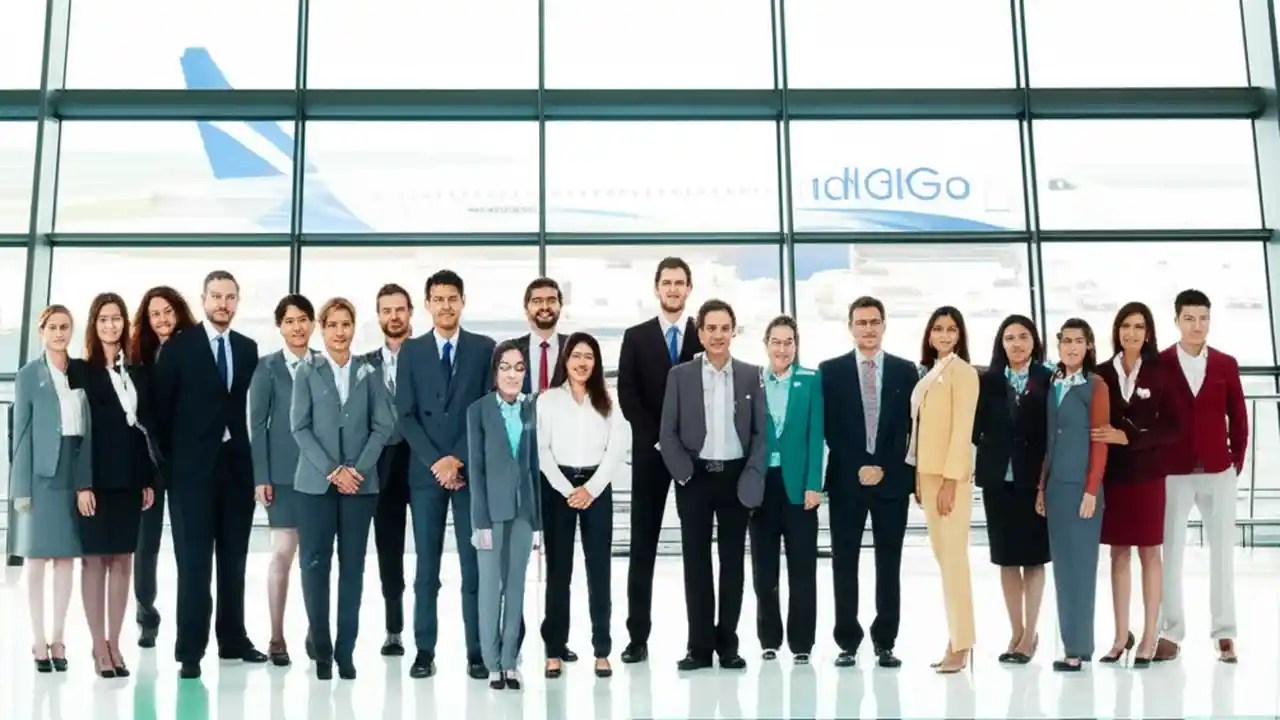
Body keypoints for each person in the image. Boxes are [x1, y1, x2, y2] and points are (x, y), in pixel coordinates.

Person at [153, 270, 267, 679]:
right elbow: (160, 414)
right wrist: (174, 469)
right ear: (203, 300)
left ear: (238, 301)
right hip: (191, 476)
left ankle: (233, 640)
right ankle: (189, 651)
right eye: (216, 296)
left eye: (230, 297)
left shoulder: (248, 348)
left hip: (237, 471)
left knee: (234, 561)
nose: (223, 304)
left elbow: (252, 412)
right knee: (194, 564)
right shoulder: (180, 349)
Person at [396, 270, 497, 680]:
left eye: (452, 298)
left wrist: (458, 459)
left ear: (463, 301)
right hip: (425, 477)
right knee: (426, 570)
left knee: (474, 568)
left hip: (470, 475)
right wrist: (437, 462)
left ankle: (477, 651)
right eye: (438, 299)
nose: (445, 305)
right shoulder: (412, 351)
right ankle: (424, 650)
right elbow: (405, 415)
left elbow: (488, 410)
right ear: (427, 304)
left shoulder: (483, 349)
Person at [658, 299, 767, 671]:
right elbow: (666, 433)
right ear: (700, 333)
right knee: (697, 564)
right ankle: (698, 647)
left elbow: (760, 435)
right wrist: (685, 474)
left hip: (736, 478)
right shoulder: (680, 375)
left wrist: (751, 477)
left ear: (733, 331)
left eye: (725, 328)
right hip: (696, 478)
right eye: (711, 329)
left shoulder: (752, 375)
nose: (718, 335)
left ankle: (729, 645)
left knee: (733, 564)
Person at [291, 298, 395, 681]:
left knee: (352, 568)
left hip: (360, 487)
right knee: (315, 565)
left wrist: (357, 470)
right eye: (332, 324)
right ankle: (321, 650)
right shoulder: (306, 371)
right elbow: (299, 427)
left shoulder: (370, 371)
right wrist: (333, 470)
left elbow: (383, 426)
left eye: (345, 324)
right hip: (314, 486)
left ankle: (345, 651)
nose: (339, 331)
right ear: (322, 328)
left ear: (354, 327)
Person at [820, 296, 916, 669]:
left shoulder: (906, 371)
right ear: (850, 327)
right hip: (847, 481)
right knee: (844, 561)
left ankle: (885, 641)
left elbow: (908, 430)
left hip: (891, 484)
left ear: (884, 324)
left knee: (889, 562)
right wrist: (860, 464)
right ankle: (847, 640)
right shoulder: (830, 372)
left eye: (874, 321)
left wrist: (883, 468)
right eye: (861, 322)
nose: (869, 329)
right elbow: (831, 427)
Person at [617, 257, 703, 663]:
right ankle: (637, 638)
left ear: (689, 289)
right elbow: (628, 396)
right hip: (650, 456)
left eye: (680, 283)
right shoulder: (635, 337)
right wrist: (658, 441)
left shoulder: (702, 338)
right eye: (667, 282)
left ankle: (698, 640)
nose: (673, 289)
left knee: (696, 548)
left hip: (693, 458)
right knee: (642, 547)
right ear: (656, 288)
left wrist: (682, 444)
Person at [1155, 289, 1247, 664]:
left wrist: (1235, 463)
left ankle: (1224, 633)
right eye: (1189, 318)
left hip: (1217, 470)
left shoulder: (1226, 364)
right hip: (1173, 472)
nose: (1197, 325)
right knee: (1171, 552)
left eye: (1203, 318)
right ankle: (1170, 632)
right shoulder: (1159, 364)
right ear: (1176, 320)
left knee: (1223, 552)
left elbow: (1238, 418)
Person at [537, 332, 629, 679]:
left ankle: (602, 649)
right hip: (558, 488)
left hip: (597, 488)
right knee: (559, 573)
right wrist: (567, 490)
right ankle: (554, 649)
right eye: (576, 355)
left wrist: (590, 489)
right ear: (565, 360)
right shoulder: (547, 400)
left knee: (599, 571)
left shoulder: (608, 400)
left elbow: (616, 448)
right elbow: (542, 451)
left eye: (588, 356)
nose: (581, 362)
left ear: (596, 363)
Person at [1094, 302, 1178, 668]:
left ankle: (1149, 635)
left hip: (1147, 476)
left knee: (1149, 552)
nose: (1131, 333)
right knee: (1118, 553)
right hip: (1114, 478)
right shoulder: (1100, 374)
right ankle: (1120, 634)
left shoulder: (1163, 372)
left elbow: (1173, 427)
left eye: (1138, 326)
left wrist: (1130, 437)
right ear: (1117, 330)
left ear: (1148, 332)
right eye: (1125, 326)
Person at [77, 293, 156, 678]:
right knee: (94, 561)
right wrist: (82, 484)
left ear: (125, 324)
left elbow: (144, 432)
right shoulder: (82, 372)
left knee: (124, 559)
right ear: (94, 325)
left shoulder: (136, 372)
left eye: (117, 319)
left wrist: (146, 479)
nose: (111, 325)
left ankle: (115, 641)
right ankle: (96, 646)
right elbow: (75, 434)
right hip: (95, 481)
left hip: (129, 479)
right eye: (104, 319)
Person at [11, 305, 91, 674]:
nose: (60, 333)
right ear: (42, 331)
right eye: (53, 327)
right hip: (42, 476)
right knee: (37, 558)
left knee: (65, 559)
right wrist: (20, 487)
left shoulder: (79, 371)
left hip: (74, 472)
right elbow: (21, 433)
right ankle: (37, 636)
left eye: (65, 327)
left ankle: (59, 638)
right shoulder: (29, 375)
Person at [972, 314, 1051, 665]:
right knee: (1006, 559)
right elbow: (975, 429)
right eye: (1009, 338)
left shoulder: (1049, 379)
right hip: (997, 480)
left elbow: (1053, 433)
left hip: (1034, 480)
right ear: (1000, 343)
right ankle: (1016, 631)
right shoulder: (987, 382)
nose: (1016, 344)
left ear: (1034, 341)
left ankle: (1030, 633)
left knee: (1033, 558)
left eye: (1023, 336)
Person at [908, 305, 979, 674]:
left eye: (952, 329)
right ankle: (956, 636)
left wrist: (950, 482)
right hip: (929, 475)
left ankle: (962, 643)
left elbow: (961, 431)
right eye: (938, 328)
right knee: (944, 560)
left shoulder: (963, 373)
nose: (945, 335)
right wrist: (921, 479)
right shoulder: (933, 371)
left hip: (950, 479)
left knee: (954, 562)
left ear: (960, 334)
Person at [468, 340, 543, 690]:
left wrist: (539, 523)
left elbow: (534, 467)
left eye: (519, 368)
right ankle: (491, 661)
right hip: (491, 514)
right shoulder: (479, 411)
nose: (512, 374)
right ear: (495, 371)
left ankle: (510, 661)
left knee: (516, 588)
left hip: (524, 513)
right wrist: (479, 522)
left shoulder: (530, 410)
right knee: (489, 590)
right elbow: (477, 471)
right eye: (506, 367)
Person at [1036, 318, 1109, 672]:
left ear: (1089, 346)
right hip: (1056, 490)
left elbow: (1101, 440)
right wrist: (1042, 488)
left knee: (1082, 570)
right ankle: (1071, 646)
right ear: (1059, 345)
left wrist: (1092, 489)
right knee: (1063, 571)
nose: (1072, 347)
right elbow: (1049, 442)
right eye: (1066, 341)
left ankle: (1080, 647)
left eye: (1079, 341)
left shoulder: (1096, 386)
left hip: (1083, 491)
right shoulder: (1055, 386)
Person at [751, 316, 823, 665]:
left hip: (798, 488)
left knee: (802, 568)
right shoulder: (752, 381)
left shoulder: (811, 380)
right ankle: (768, 638)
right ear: (767, 344)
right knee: (764, 569)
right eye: (776, 341)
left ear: (796, 345)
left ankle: (802, 643)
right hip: (762, 486)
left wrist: (814, 485)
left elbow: (816, 435)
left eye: (789, 341)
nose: (783, 348)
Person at [249, 294, 317, 666]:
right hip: (282, 477)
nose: (297, 326)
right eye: (290, 320)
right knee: (281, 555)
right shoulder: (267, 368)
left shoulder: (324, 364)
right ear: (280, 326)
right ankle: (276, 635)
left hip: (319, 475)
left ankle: (315, 631)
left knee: (315, 557)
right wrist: (261, 476)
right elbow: (257, 425)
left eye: (303, 319)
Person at [128, 286, 196, 649]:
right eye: (155, 313)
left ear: (179, 312)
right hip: (150, 464)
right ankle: (146, 613)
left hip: (186, 464)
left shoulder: (196, 351)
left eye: (168, 311)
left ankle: (190, 622)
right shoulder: (137, 358)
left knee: (188, 544)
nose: (163, 319)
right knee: (146, 543)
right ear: (146, 319)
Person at [364, 283, 413, 656]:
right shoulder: (365, 365)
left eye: (400, 309)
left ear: (411, 313)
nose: (393, 316)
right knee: (388, 546)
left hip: (423, 461)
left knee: (430, 548)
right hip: (382, 467)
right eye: (386, 310)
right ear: (379, 315)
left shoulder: (426, 356)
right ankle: (393, 627)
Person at [510, 277, 568, 395]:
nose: (545, 307)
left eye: (551, 300)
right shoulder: (510, 350)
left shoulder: (574, 347)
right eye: (537, 301)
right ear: (526, 308)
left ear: (560, 306)